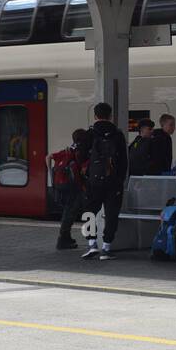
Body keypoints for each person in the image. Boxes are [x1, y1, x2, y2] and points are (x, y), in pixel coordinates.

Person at [78, 102, 128, 260]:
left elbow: (80, 157)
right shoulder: (118, 134)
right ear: (110, 115)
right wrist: (120, 178)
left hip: (94, 181)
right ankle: (106, 247)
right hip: (114, 181)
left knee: (89, 212)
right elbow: (124, 161)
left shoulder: (89, 133)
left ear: (95, 116)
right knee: (112, 213)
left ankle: (92, 243)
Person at [49, 127, 89, 249]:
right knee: (88, 212)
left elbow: (48, 156)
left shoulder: (69, 150)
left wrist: (50, 174)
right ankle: (91, 239)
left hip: (68, 186)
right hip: (78, 187)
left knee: (69, 212)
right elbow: (84, 170)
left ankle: (64, 238)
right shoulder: (82, 151)